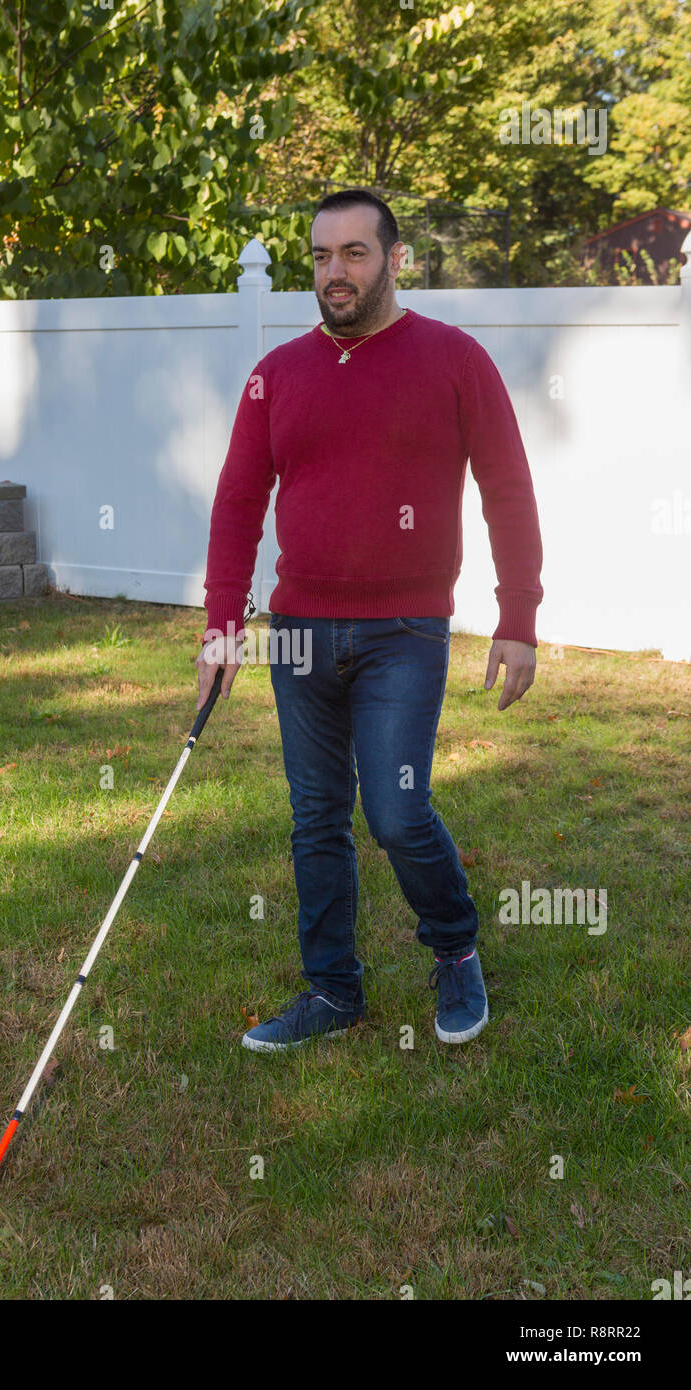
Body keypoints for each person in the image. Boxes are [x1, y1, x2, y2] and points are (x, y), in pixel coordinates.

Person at [196, 187, 543, 1051]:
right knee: (316, 816)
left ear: (395, 258)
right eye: (320, 256)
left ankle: (454, 945)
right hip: (300, 629)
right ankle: (332, 991)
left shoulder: (453, 359)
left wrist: (518, 615)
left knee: (394, 814)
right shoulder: (279, 374)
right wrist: (222, 622)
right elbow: (239, 499)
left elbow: (507, 487)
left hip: (406, 630)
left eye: (354, 253)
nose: (335, 272)